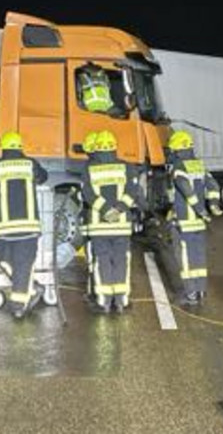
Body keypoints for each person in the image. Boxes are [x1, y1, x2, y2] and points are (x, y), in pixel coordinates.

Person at [0, 131, 50, 319]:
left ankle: (19, 305)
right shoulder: (31, 164)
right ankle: (31, 287)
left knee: (0, 257)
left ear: (3, 147)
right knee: (23, 264)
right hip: (28, 226)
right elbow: (44, 177)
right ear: (20, 146)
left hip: (4, 227)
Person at [81, 130, 144, 314]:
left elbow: (88, 194)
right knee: (121, 261)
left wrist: (105, 210)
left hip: (99, 225)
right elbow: (132, 192)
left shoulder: (89, 168)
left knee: (102, 261)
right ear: (115, 147)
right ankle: (122, 301)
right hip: (122, 225)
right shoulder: (126, 167)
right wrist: (118, 210)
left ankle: (104, 302)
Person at [165, 130, 222, 307]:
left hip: (185, 222)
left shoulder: (179, 168)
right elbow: (213, 184)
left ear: (178, 150)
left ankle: (190, 293)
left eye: (173, 150)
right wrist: (212, 204)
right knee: (199, 256)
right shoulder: (198, 165)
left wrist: (199, 209)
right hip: (199, 223)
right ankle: (201, 289)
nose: (171, 153)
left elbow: (185, 189)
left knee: (185, 258)